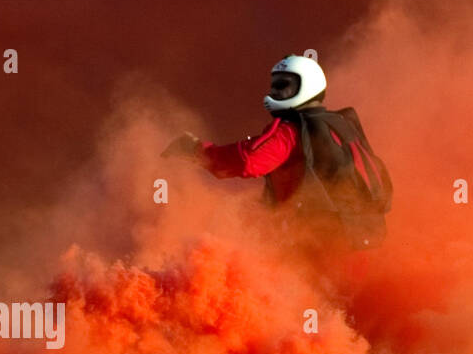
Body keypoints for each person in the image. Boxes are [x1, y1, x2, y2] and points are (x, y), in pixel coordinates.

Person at [163, 54, 392, 252]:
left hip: (319, 244)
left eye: (285, 86)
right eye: (276, 85)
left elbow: (247, 161)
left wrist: (195, 150)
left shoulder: (290, 131)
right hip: (362, 238)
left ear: (307, 87)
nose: (276, 92)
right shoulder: (341, 123)